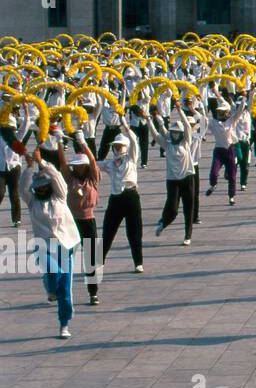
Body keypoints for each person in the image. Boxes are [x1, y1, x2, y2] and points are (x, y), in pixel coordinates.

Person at [19, 151, 81, 338]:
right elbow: (23, 187)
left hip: (65, 244)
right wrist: (30, 166)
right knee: (55, 273)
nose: (41, 190)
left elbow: (58, 178)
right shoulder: (32, 202)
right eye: (38, 188)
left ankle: (64, 323)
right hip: (44, 247)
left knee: (65, 289)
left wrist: (42, 162)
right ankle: (49, 286)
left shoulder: (59, 196)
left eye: (44, 187)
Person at [56, 133, 101, 305]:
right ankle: (59, 289)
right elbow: (62, 163)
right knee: (65, 257)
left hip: (88, 220)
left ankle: (93, 292)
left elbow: (93, 160)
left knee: (90, 258)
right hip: (72, 222)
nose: (78, 168)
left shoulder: (93, 179)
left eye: (81, 165)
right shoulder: (70, 178)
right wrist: (60, 142)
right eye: (77, 166)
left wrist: (83, 142)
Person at [101, 131, 144, 274]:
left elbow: (134, 140)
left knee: (134, 232)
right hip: (115, 199)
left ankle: (138, 263)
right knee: (108, 232)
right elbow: (93, 163)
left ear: (126, 147)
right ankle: (98, 262)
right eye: (116, 146)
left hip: (131, 196)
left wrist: (125, 124)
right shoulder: (110, 163)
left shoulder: (131, 158)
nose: (117, 149)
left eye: (120, 146)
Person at [152, 113, 197, 244]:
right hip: (172, 180)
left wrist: (179, 110)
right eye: (174, 132)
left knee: (189, 208)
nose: (176, 135)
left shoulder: (186, 142)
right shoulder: (168, 145)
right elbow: (156, 134)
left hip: (187, 178)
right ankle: (163, 224)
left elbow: (188, 126)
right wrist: (151, 120)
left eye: (178, 132)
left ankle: (187, 236)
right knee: (172, 209)